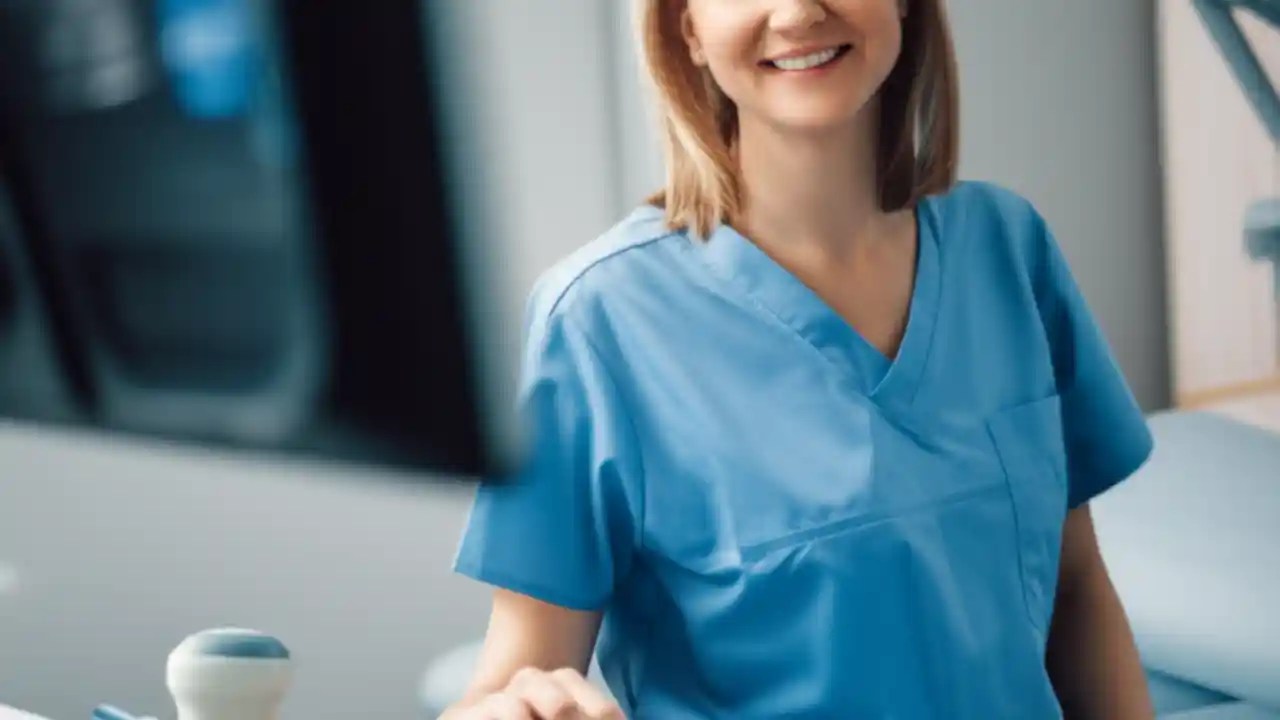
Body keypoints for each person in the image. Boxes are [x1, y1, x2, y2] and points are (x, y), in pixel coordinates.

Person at [443, 0, 1156, 717]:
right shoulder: (600, 321)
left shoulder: (1006, 248)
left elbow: (1075, 585)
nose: (798, 11)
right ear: (685, 27)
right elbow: (515, 681)